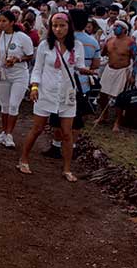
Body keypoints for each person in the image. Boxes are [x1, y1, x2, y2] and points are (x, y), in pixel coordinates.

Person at [17, 12, 93, 181]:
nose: (58, 29)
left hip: (67, 94)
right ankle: (23, 159)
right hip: (46, 92)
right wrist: (34, 87)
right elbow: (37, 69)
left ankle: (67, 169)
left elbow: (78, 65)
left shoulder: (77, 46)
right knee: (37, 129)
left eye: (62, 26)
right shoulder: (45, 45)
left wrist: (84, 70)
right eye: (55, 26)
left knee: (67, 133)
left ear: (69, 27)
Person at [0, 10, 34, 148]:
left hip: (19, 75)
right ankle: (3, 132)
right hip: (2, 74)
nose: (1, 24)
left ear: (12, 22)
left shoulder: (22, 37)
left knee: (14, 104)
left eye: (4, 21)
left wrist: (18, 59)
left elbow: (30, 55)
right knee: (4, 105)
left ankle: (9, 134)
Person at [97, 21, 137, 132]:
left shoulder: (130, 43)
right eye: (114, 26)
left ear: (124, 29)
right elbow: (102, 53)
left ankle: (117, 122)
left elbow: (136, 59)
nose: (115, 28)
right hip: (109, 69)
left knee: (119, 98)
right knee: (102, 95)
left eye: (117, 26)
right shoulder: (110, 40)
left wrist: (133, 75)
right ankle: (104, 116)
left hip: (122, 71)